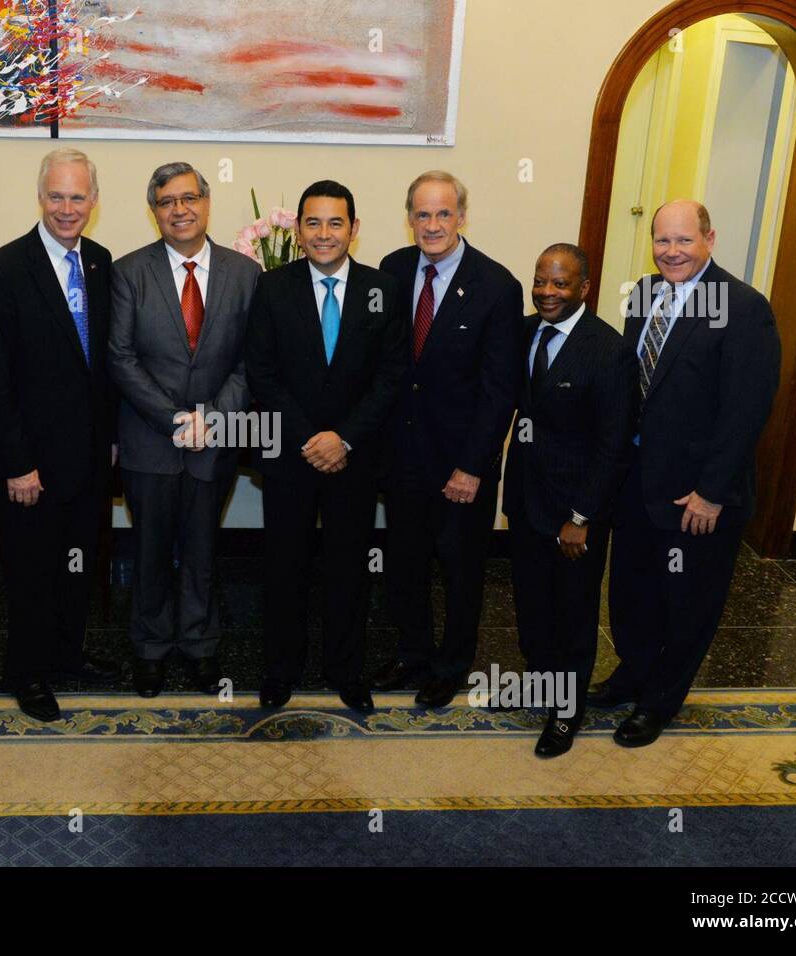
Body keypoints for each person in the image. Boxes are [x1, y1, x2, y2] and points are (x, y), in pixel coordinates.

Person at [593, 200, 781, 746]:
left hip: (696, 494)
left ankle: (659, 702)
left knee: (688, 602)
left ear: (709, 238)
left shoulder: (743, 308)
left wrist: (712, 492)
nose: (671, 252)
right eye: (661, 241)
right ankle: (632, 673)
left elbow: (746, 411)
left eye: (683, 240)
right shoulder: (645, 293)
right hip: (637, 482)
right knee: (631, 591)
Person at [245, 180, 408, 713]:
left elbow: (390, 377)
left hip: (354, 459)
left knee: (349, 569)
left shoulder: (382, 289)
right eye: (312, 222)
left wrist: (345, 439)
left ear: (354, 229)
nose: (323, 234)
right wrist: (308, 438)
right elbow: (262, 374)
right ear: (297, 230)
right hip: (291, 456)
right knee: (283, 567)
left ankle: (346, 669)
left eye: (335, 223)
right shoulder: (272, 288)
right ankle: (280, 670)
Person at [0, 148, 120, 723]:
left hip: (87, 457)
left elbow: (105, 363)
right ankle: (25, 671)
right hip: (30, 462)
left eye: (77, 196)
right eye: (56, 196)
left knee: (76, 565)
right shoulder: (6, 269)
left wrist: (108, 438)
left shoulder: (102, 262)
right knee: (31, 571)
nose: (67, 208)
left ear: (93, 201)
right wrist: (15, 462)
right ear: (40, 198)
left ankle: (66, 654)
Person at [108, 162, 261, 697]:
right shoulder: (129, 272)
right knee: (149, 551)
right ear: (155, 212)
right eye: (167, 202)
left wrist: (213, 418)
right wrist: (174, 418)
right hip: (150, 440)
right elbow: (121, 358)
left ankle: (199, 646)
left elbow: (250, 361)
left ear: (206, 202)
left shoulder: (246, 274)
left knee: (201, 550)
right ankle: (149, 651)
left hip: (213, 442)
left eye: (189, 198)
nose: (180, 210)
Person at [377, 171, 524, 707]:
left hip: (462, 464)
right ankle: (412, 652)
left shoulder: (496, 286)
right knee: (405, 564)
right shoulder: (391, 271)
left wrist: (473, 465)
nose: (432, 224)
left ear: (462, 216)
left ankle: (452, 663)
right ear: (409, 217)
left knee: (461, 572)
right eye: (422, 214)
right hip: (402, 457)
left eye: (443, 213)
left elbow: (499, 389)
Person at [502, 244, 636, 757]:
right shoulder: (523, 331)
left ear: (584, 288)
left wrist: (581, 517)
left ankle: (566, 712)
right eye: (540, 281)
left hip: (574, 513)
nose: (547, 292)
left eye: (560, 284)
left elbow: (614, 445)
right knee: (532, 606)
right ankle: (539, 686)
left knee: (573, 616)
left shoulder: (608, 351)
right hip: (524, 501)